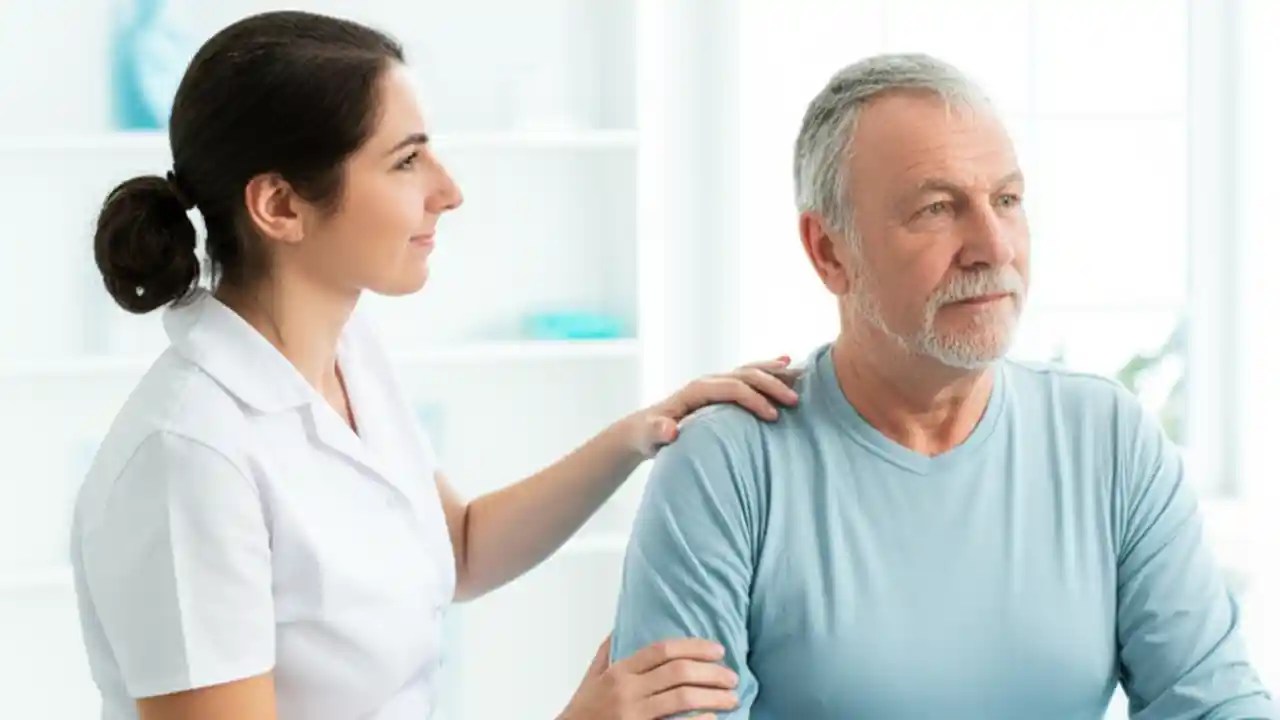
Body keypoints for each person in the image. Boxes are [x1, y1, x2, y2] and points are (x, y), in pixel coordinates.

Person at [70, 11, 798, 720]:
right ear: (280, 206)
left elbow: (461, 546)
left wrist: (642, 432)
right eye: (406, 161)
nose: (448, 192)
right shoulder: (189, 457)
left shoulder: (347, 355)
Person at [610, 53, 1278, 719]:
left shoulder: (1108, 439)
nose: (994, 246)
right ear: (829, 251)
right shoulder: (724, 466)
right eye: (937, 208)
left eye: (1006, 201)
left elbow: (1212, 700)